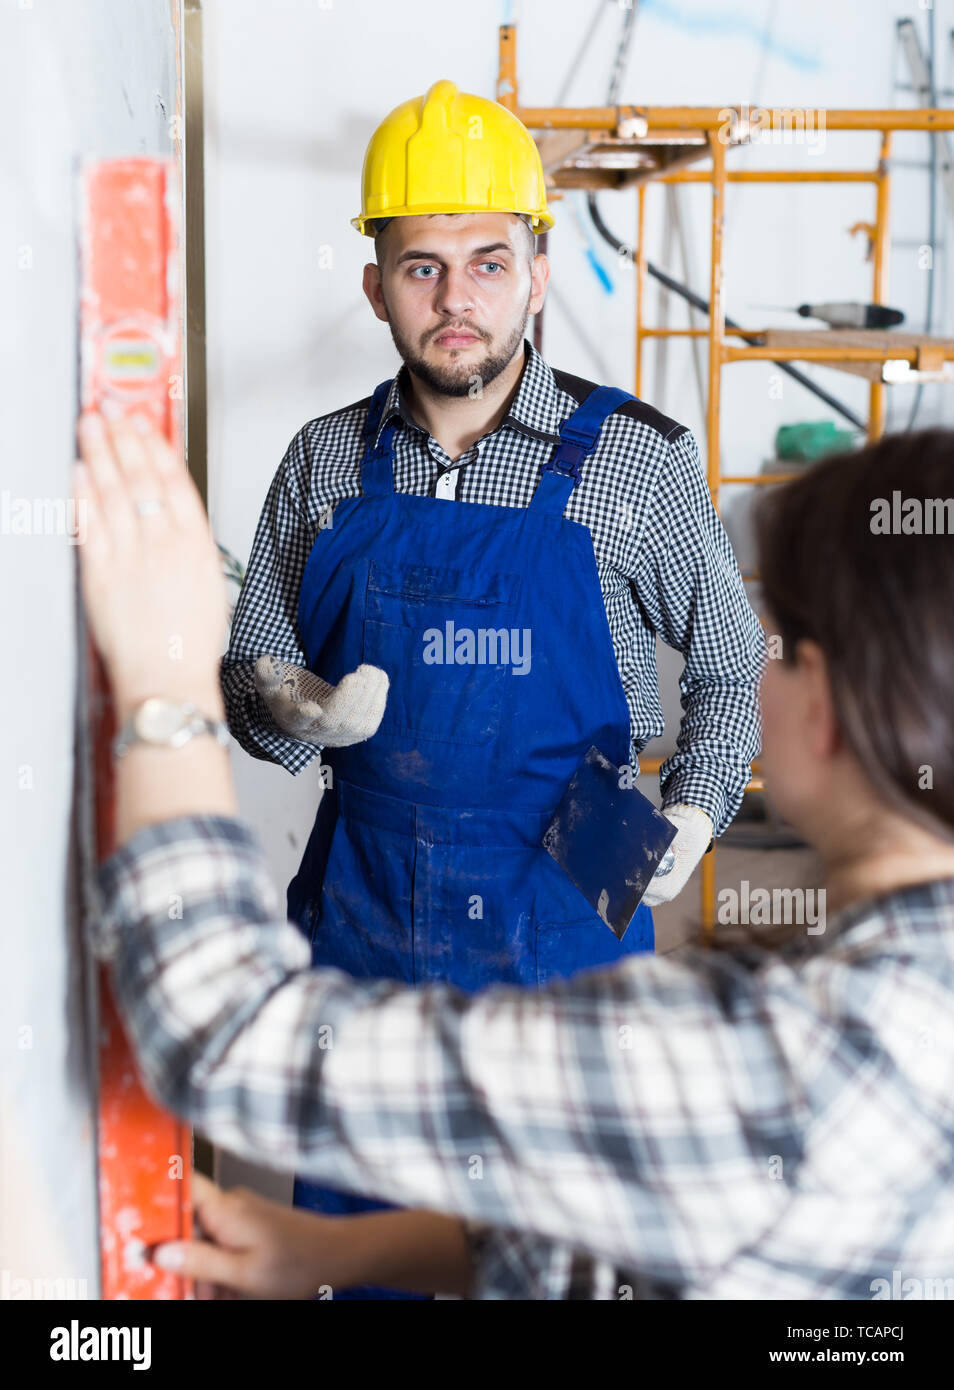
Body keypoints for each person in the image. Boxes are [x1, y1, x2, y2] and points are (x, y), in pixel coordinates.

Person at [74, 411, 954, 1299]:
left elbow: (225, 1036)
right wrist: (344, 1257)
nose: (764, 674)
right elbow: (658, 1217)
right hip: (363, 896)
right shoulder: (891, 999)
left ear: (839, 707)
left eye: (786, 645)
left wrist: (161, 685)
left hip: (554, 910)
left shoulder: (774, 1053)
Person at [217, 79, 763, 1284]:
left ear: (539, 268)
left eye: (487, 261)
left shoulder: (634, 464)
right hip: (365, 926)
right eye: (421, 267)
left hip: (571, 902)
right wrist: (283, 704)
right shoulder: (322, 464)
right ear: (374, 284)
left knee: (560, 1254)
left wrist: (698, 809)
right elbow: (249, 673)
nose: (456, 300)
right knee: (361, 1257)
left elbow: (732, 661)